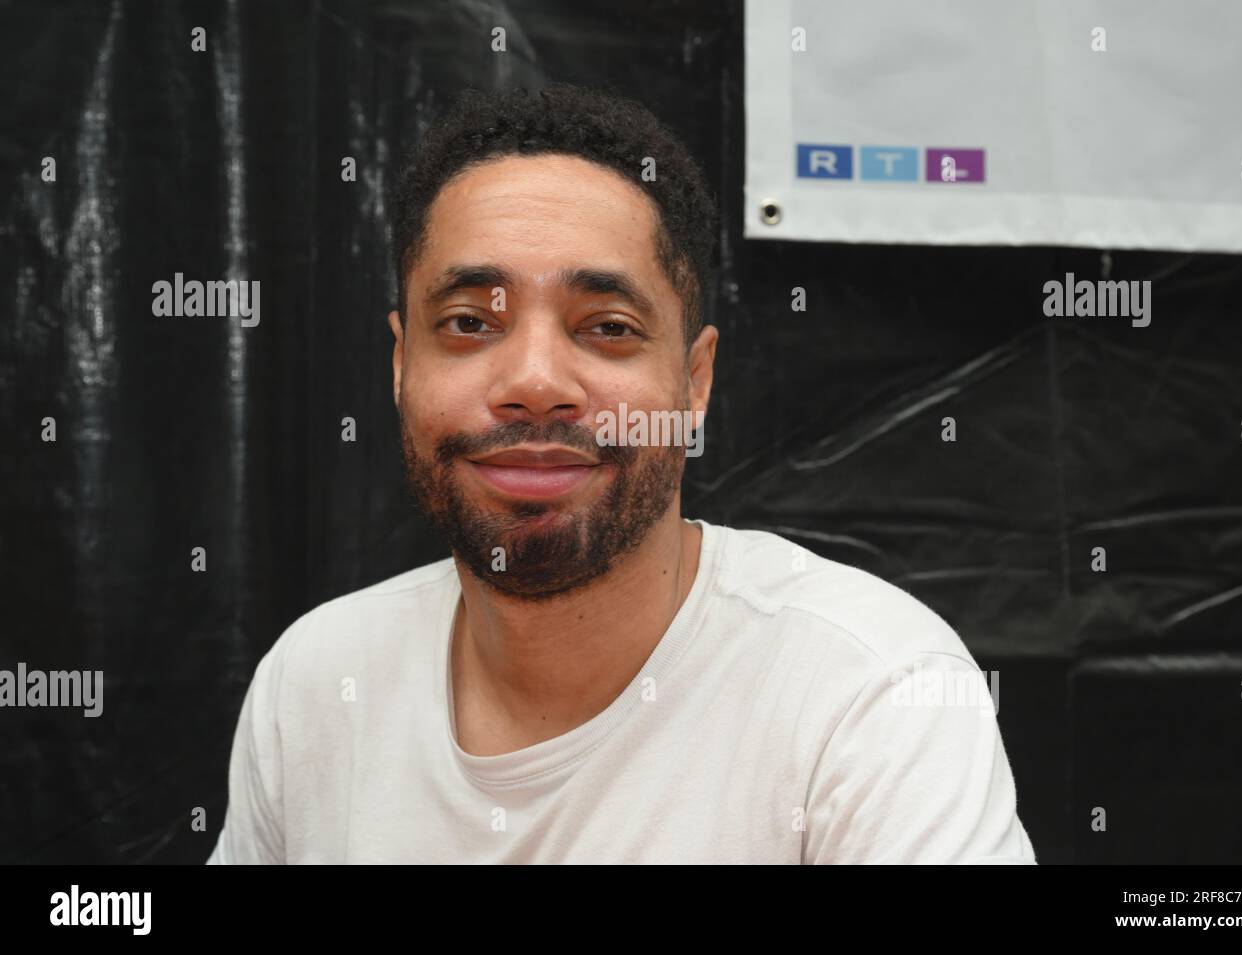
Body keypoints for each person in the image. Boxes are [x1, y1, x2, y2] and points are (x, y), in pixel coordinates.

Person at [208, 83, 1035, 864]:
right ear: (400, 366)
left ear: (695, 381)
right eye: (468, 322)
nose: (534, 383)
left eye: (606, 327)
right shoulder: (316, 682)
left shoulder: (874, 694)